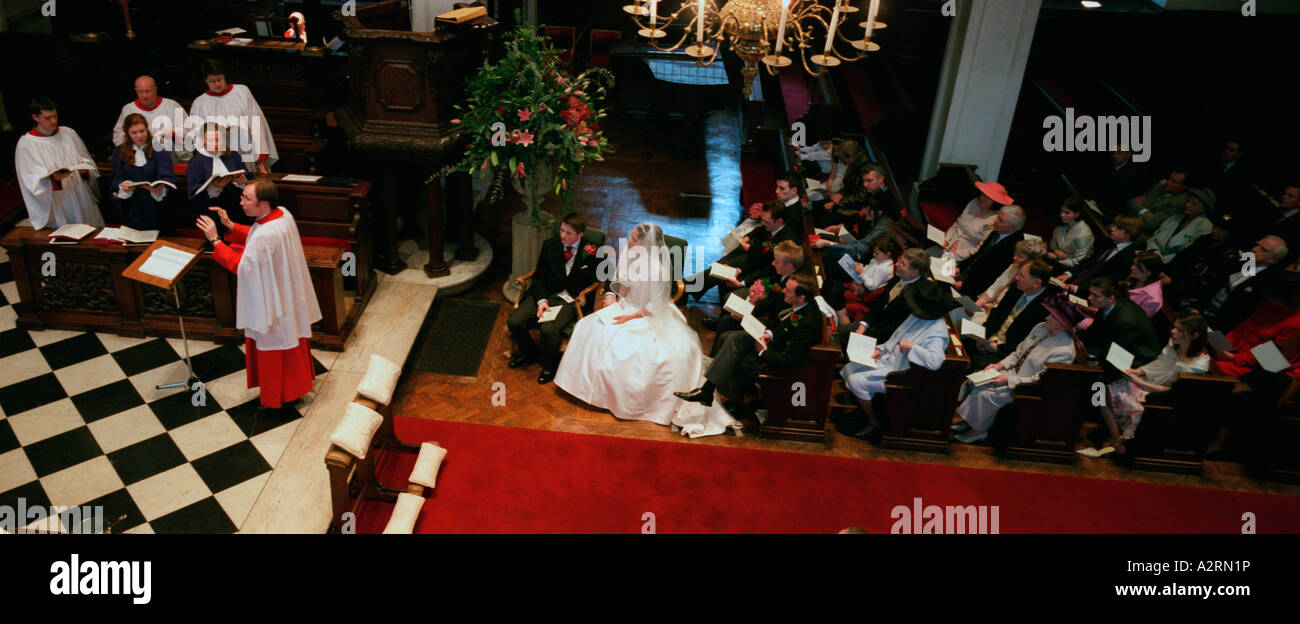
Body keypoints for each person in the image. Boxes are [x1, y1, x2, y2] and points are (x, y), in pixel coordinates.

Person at [556, 223, 738, 437]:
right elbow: (622, 283)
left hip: (648, 314)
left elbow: (656, 305)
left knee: (629, 352)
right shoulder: (631, 254)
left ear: (645, 244)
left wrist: (629, 317)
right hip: (627, 306)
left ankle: (624, 402)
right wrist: (615, 300)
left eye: (633, 239)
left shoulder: (657, 269)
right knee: (588, 327)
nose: (629, 241)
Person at [196, 181, 321, 416]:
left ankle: (278, 399)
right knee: (289, 342)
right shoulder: (282, 214)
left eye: (246, 198)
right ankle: (295, 388)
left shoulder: (266, 233)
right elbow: (257, 237)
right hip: (286, 294)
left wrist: (215, 240)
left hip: (270, 300)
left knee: (273, 346)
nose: (240, 202)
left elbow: (241, 266)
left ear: (263, 203)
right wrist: (231, 225)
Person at [675, 273, 824, 418]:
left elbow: (789, 360)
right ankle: (709, 390)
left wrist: (762, 352)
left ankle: (724, 396)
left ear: (801, 297)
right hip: (771, 343)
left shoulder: (808, 323)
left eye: (788, 290)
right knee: (730, 337)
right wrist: (769, 334)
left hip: (779, 362)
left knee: (735, 351)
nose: (783, 291)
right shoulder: (802, 305)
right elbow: (784, 327)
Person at [834, 280, 956, 440]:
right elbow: (896, 337)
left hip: (903, 374)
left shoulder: (938, 332)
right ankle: (864, 410)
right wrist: (880, 349)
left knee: (857, 381)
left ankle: (873, 422)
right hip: (889, 360)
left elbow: (935, 362)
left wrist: (913, 347)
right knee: (850, 368)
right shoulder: (916, 316)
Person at [952, 295, 1082, 443]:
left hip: (1026, 387)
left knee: (984, 395)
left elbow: (1041, 379)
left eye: (1052, 316)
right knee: (974, 380)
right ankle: (969, 423)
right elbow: (1018, 352)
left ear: (1063, 324)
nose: (1046, 317)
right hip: (1011, 372)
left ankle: (978, 431)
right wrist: (1000, 365)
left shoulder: (1064, 350)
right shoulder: (1041, 328)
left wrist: (1009, 380)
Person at [1080, 312, 1211, 458]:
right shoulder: (1174, 344)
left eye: (1180, 330)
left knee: (1136, 410)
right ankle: (1116, 439)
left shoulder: (1199, 364)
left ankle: (1121, 442)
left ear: (1194, 335)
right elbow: (1160, 363)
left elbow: (1174, 390)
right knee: (1101, 392)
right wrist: (1139, 371)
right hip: (1149, 382)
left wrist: (1141, 382)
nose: (1173, 332)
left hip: (1163, 397)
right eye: (1174, 327)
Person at [507, 212, 601, 384]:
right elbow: (539, 276)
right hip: (545, 293)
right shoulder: (550, 245)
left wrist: (585, 294)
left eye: (568, 233)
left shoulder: (593, 251)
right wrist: (541, 300)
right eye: (562, 230)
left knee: (548, 330)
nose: (563, 235)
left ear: (579, 235)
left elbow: (600, 278)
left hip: (569, 300)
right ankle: (529, 352)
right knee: (515, 321)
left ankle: (551, 365)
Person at [14, 96, 102, 229]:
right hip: (58, 201)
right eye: (48, 118)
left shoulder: (68, 133)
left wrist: (86, 171)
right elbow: (29, 181)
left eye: (55, 116)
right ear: (35, 117)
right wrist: (53, 179)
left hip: (80, 194)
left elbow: (87, 160)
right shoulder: (27, 144)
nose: (53, 121)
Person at [189, 59, 277, 174]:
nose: (217, 84)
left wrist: (261, 154)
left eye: (219, 79)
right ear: (205, 80)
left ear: (224, 76)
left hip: (245, 149)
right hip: (217, 156)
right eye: (212, 81)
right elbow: (197, 134)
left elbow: (256, 122)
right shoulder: (200, 103)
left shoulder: (241, 92)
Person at [965, 260, 1056, 370]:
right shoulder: (1017, 287)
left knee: (976, 364)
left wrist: (997, 347)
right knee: (963, 343)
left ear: (1036, 283)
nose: (1016, 278)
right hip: (991, 336)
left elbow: (1027, 341)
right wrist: (984, 335)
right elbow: (998, 313)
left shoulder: (1046, 307)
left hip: (1008, 350)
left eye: (1022, 276)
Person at [714, 240, 805, 341]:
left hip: (770, 325)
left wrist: (747, 315)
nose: (773, 263)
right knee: (725, 321)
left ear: (789, 266)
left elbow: (775, 311)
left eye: (777, 261)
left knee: (729, 330)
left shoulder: (793, 286)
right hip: (764, 312)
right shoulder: (783, 274)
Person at [1203, 235, 1289, 333]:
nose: (1254, 249)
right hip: (1203, 311)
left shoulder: (1267, 282)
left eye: (1263, 250)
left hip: (1220, 327)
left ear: (1273, 259)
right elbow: (1213, 286)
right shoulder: (1239, 263)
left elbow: (1240, 312)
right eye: (1257, 245)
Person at [1078, 276, 1162, 375]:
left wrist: (1083, 350)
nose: (1089, 298)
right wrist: (1079, 341)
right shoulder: (1106, 304)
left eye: (1095, 296)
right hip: (1115, 346)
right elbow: (1094, 330)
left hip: (1137, 359)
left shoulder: (1126, 321)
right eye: (1090, 293)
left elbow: (1113, 353)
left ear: (1111, 298)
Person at [109, 113, 176, 233]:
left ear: (147, 129)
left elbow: (168, 176)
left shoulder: (158, 149)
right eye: (134, 133)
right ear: (127, 134)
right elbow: (115, 179)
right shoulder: (119, 152)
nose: (139, 136)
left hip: (155, 205)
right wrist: (122, 185)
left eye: (142, 131)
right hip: (132, 206)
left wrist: (161, 188)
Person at [188, 122, 249, 237]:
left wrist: (242, 181)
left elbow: (249, 177)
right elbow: (192, 193)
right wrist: (214, 188)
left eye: (218, 140)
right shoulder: (196, 161)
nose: (214, 144)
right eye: (210, 140)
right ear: (203, 141)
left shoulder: (233, 155)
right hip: (211, 210)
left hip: (236, 206)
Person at [1057, 214, 1143, 296]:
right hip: (1074, 279)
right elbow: (1089, 261)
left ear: (1128, 232)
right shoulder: (1107, 241)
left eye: (1118, 227)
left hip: (1088, 292)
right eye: (1114, 225)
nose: (1112, 228)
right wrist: (1068, 274)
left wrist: (1078, 288)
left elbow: (1108, 283)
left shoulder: (1128, 258)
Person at [111, 75, 189, 162]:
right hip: (139, 158)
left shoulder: (171, 105)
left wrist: (174, 134)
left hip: (169, 157)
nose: (144, 96)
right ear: (135, 91)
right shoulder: (128, 109)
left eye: (148, 91)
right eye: (140, 92)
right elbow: (119, 136)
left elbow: (188, 129)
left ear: (155, 89)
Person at [954, 204, 1026, 297]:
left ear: (1013, 228)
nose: (995, 220)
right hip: (968, 275)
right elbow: (980, 253)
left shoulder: (1014, 247)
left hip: (977, 289)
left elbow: (991, 275)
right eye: (998, 217)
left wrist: (965, 286)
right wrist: (960, 267)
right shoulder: (999, 230)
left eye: (1001, 220)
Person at [972, 238, 1047, 323]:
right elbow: (992, 291)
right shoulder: (1013, 267)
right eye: (1016, 254)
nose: (1014, 257)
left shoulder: (1029, 282)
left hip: (998, 319)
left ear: (1031, 261)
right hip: (988, 308)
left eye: (1020, 256)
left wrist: (990, 308)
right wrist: (974, 307)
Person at [942, 181, 1013, 262]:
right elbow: (957, 224)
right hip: (946, 247)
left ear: (996, 202)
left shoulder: (995, 220)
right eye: (983, 194)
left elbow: (980, 248)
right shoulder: (974, 203)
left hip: (962, 258)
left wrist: (956, 254)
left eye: (989, 198)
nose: (983, 199)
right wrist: (946, 240)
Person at [1146, 187, 1213, 263]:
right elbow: (1155, 237)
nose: (1187, 204)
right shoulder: (1176, 217)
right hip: (1151, 258)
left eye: (1193, 203)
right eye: (1188, 201)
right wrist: (1154, 253)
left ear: (1203, 209)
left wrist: (1161, 260)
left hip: (1173, 265)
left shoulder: (1205, 226)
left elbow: (1188, 253)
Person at [1126, 168, 1190, 234]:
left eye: (1174, 181)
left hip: (1144, 234)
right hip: (1129, 221)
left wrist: (1139, 207)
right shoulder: (1161, 185)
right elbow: (1131, 201)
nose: (1168, 182)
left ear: (1183, 187)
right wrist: (1144, 211)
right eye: (1169, 178)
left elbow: (1150, 224)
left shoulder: (1179, 203)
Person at [1045, 196, 1095, 270]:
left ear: (1077, 214)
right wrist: (1055, 250)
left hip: (1068, 268)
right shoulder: (1063, 223)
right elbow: (1053, 241)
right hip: (1055, 258)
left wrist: (1055, 259)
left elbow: (1076, 262)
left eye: (1067, 213)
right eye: (1061, 211)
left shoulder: (1084, 235)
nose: (1062, 215)